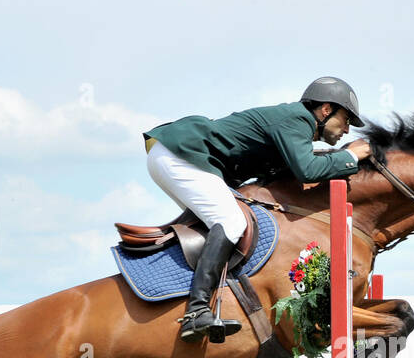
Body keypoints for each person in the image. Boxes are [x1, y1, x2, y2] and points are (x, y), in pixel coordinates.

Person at [143, 76, 374, 342]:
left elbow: (299, 169)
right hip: (181, 154)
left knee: (218, 226)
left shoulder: (296, 129)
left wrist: (342, 159)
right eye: (346, 120)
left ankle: (191, 296)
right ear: (325, 109)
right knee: (230, 222)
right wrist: (350, 156)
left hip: (178, 154)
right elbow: (308, 171)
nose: (346, 130)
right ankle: (196, 311)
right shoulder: (297, 120)